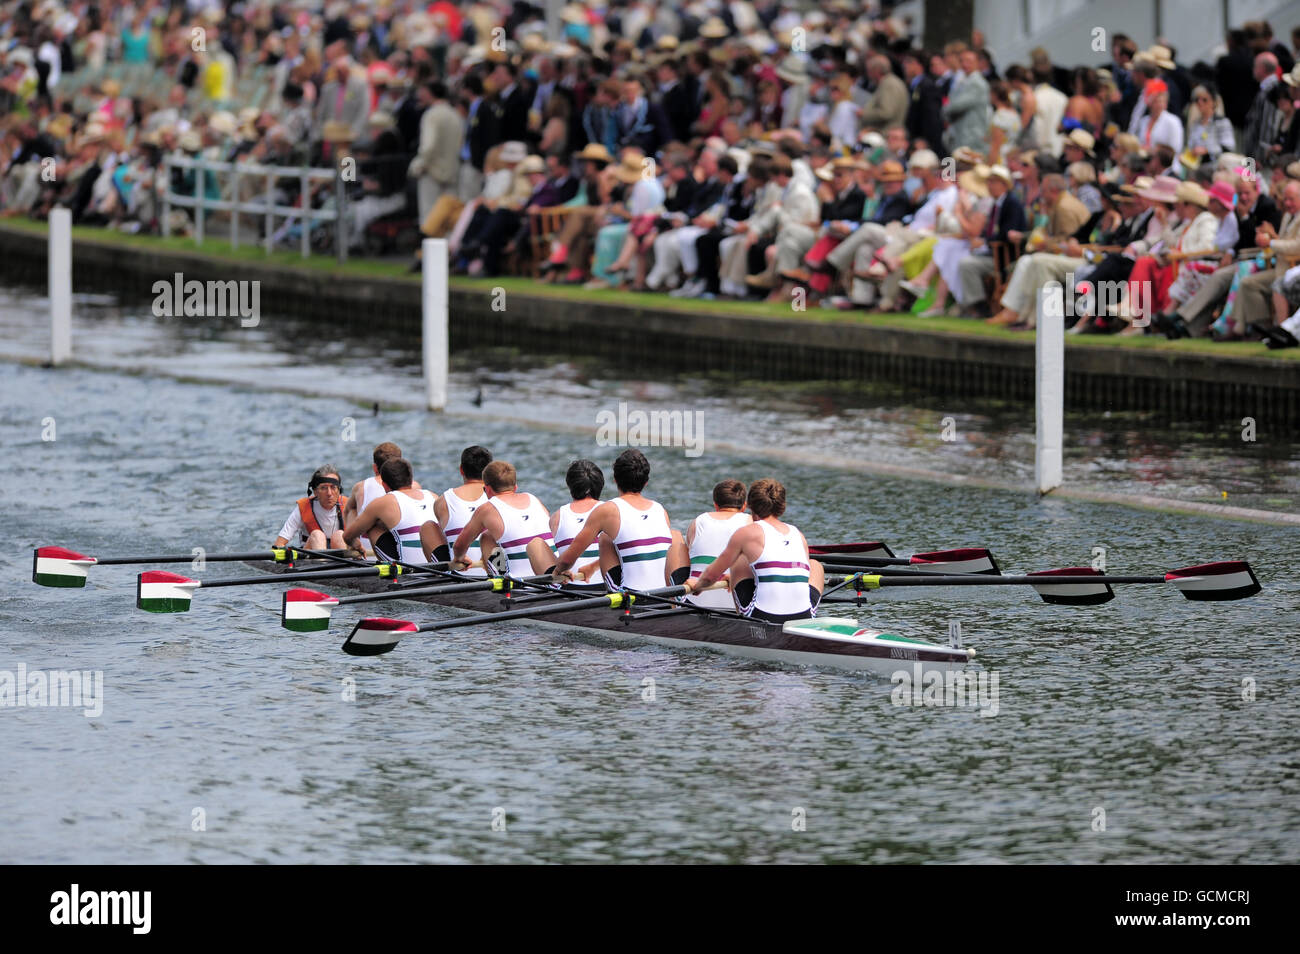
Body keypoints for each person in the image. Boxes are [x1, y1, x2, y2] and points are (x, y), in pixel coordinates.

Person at [682, 479, 824, 623]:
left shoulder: (746, 533)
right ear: (783, 506)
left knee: (739, 559)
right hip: (804, 617)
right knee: (816, 565)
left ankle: (741, 622)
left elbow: (711, 575)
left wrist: (697, 586)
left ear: (750, 506)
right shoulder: (798, 534)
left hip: (763, 615)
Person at [551, 449, 687, 590]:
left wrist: (557, 573)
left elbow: (567, 560)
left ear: (615, 479)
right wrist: (592, 567)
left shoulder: (608, 510)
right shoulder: (660, 510)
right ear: (646, 482)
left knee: (605, 538)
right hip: (664, 596)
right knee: (675, 535)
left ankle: (615, 591)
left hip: (633, 597)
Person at [451, 460, 555, 577]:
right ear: (515, 487)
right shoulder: (534, 499)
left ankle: (499, 576)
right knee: (490, 536)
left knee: (486, 537)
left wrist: (459, 558)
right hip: (551, 577)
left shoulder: (487, 509)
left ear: (487, 489)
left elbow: (459, 545)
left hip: (522, 586)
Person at [343, 457, 445, 564]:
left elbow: (348, 536)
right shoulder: (433, 496)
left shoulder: (383, 502)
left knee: (372, 526)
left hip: (409, 569)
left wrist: (356, 545)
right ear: (411, 479)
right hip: (437, 564)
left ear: (384, 485)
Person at [343, 441, 424, 556]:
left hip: (371, 554)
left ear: (375, 468)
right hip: (415, 551)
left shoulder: (360, 487)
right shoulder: (416, 487)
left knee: (365, 520)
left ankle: (354, 547)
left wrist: (352, 541)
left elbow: (348, 510)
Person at [683, 479, 752, 610]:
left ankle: (675, 605)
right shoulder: (752, 523)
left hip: (696, 602)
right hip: (737, 605)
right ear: (744, 506)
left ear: (715, 505)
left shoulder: (698, 521)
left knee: (678, 542)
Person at [434, 445, 492, 578]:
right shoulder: (497, 498)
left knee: (429, 527)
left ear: (461, 470)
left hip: (460, 573)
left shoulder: (443, 501)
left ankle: (441, 576)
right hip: (493, 575)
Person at [550, 460, 606, 585]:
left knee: (537, 544)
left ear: (570, 485)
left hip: (571, 587)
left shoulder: (557, 516)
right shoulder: (611, 511)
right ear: (600, 484)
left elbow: (555, 560)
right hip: (607, 589)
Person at [273, 465, 347, 550]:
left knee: (340, 536)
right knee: (317, 535)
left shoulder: (349, 506)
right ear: (315, 492)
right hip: (310, 558)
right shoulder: (303, 507)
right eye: (323, 488)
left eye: (333, 487)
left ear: (339, 490)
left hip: (343, 558)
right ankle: (321, 562)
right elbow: (279, 544)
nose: (329, 493)